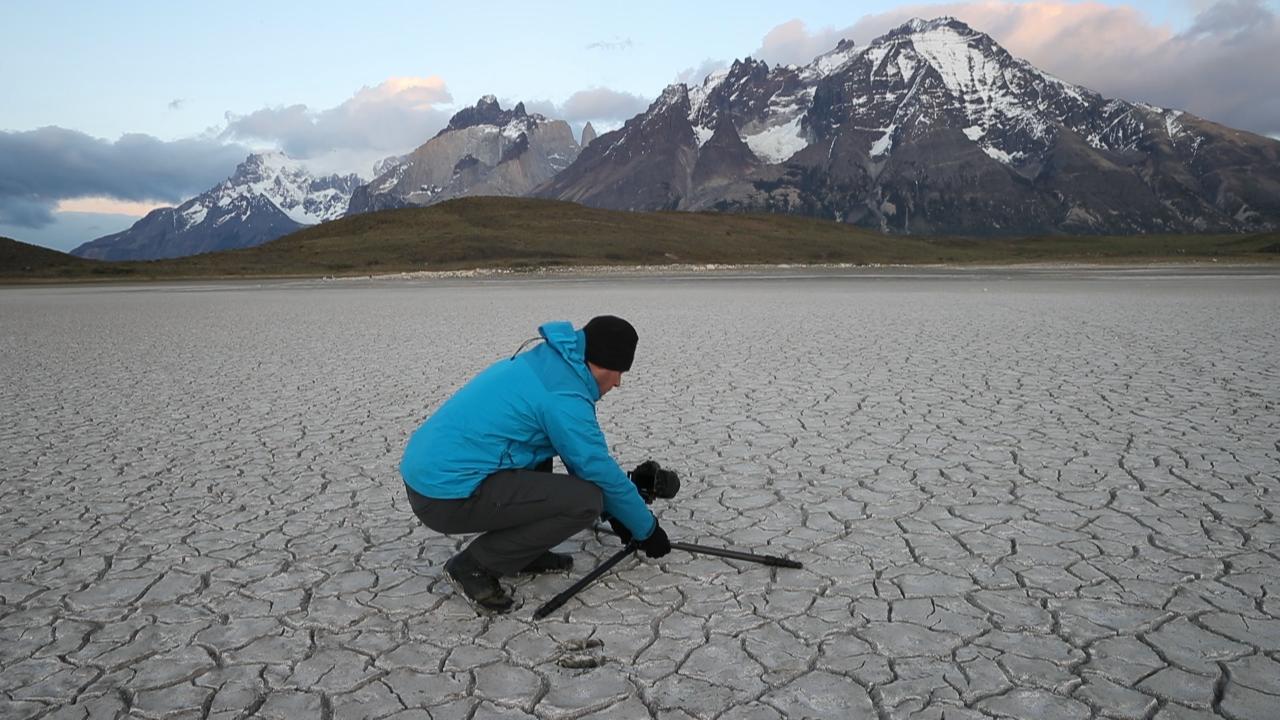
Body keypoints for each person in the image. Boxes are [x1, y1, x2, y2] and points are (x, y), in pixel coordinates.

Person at [400, 315, 671, 613]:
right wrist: (646, 529)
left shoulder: (550, 363)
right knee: (585, 502)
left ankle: (524, 554)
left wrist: (617, 513)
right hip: (443, 495)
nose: (618, 383)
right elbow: (596, 469)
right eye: (618, 371)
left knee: (544, 451)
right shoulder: (563, 396)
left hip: (431, 474)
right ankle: (473, 566)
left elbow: (579, 460)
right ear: (601, 364)